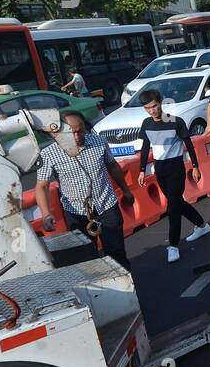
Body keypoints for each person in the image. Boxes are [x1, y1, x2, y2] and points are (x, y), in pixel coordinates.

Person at [35, 110, 136, 270]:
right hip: (76, 213)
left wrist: (126, 190)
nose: (78, 136)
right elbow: (42, 186)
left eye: (81, 130)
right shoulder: (48, 154)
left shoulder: (99, 142)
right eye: (72, 132)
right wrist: (46, 213)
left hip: (107, 206)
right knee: (86, 259)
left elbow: (112, 166)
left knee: (116, 253)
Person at [136, 89, 210, 264]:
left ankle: (173, 246)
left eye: (154, 106)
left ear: (161, 102)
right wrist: (141, 170)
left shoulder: (176, 122)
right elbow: (146, 147)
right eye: (147, 108)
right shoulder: (146, 123)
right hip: (159, 169)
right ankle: (202, 225)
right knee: (177, 203)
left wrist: (195, 166)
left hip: (176, 168)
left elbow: (189, 145)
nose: (152, 111)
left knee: (172, 208)